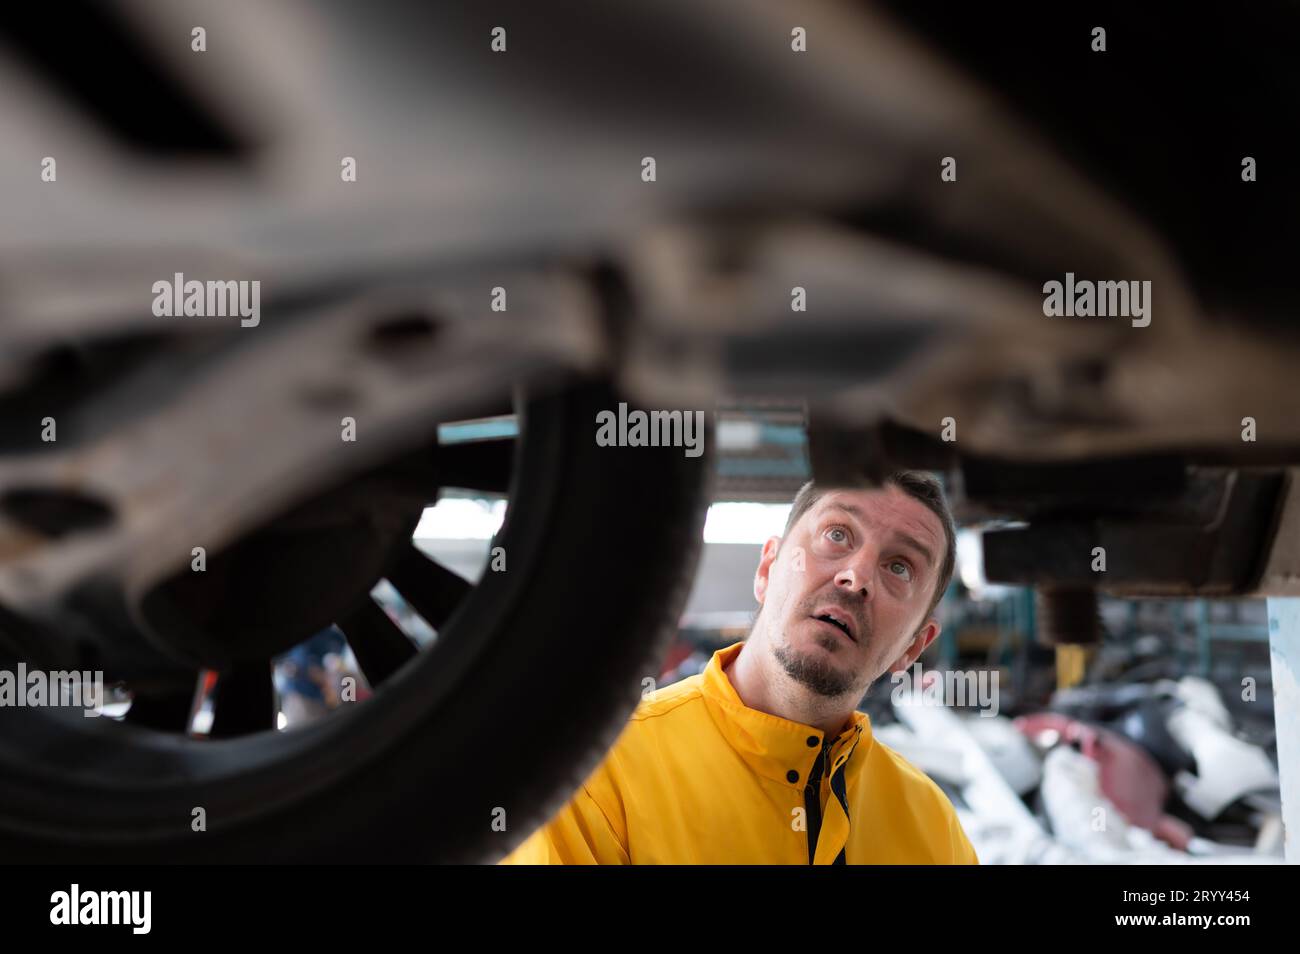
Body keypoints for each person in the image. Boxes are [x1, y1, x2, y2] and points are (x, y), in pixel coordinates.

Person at [500, 472, 979, 864]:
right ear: (767, 569)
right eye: (837, 534)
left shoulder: (933, 829)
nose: (856, 577)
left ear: (913, 647)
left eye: (900, 567)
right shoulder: (598, 774)